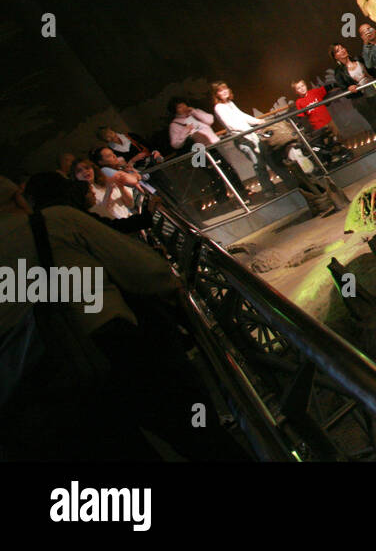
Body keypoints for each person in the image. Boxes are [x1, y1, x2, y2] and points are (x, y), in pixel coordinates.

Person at [0, 174, 248, 460]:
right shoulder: (53, 221)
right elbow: (144, 271)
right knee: (196, 435)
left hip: (38, 390)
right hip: (112, 350)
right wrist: (172, 287)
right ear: (19, 198)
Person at [211, 82, 295, 200]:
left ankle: (291, 182)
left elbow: (243, 116)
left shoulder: (230, 103)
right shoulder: (219, 108)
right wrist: (249, 130)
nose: (224, 92)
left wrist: (257, 122)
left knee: (270, 159)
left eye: (225, 89)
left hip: (251, 135)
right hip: (242, 139)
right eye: (220, 90)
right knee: (258, 163)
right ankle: (268, 191)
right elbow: (230, 125)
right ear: (217, 94)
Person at [167, 97, 234, 206]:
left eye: (183, 104)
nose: (183, 108)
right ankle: (223, 200)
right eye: (179, 107)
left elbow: (210, 120)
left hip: (214, 145)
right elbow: (175, 144)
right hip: (199, 151)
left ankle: (241, 191)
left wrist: (194, 111)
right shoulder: (175, 125)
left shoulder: (195, 113)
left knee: (228, 169)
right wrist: (185, 131)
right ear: (175, 110)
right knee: (214, 175)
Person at [330, 44, 376, 141]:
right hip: (361, 99)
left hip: (375, 91)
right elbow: (343, 88)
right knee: (375, 123)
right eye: (338, 50)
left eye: (342, 48)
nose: (342, 50)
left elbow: (372, 70)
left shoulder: (358, 59)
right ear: (335, 56)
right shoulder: (339, 72)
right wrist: (349, 88)